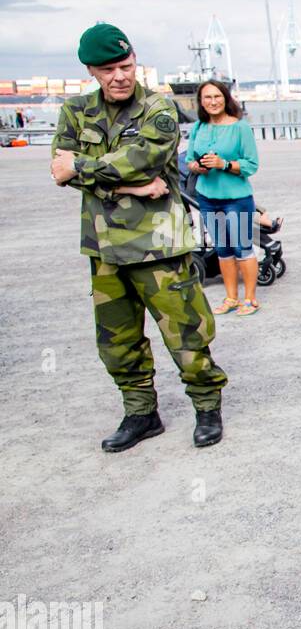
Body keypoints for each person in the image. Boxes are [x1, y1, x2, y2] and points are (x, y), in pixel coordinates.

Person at [50, 23, 226, 451]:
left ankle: (206, 407)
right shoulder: (75, 111)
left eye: (126, 65)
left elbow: (144, 159)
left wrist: (88, 169)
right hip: (104, 248)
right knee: (117, 342)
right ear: (92, 71)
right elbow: (60, 170)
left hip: (159, 246)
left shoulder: (158, 109)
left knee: (187, 334)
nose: (120, 76)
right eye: (109, 69)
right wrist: (128, 187)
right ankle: (141, 413)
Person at [187, 80, 261, 316]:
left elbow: (251, 165)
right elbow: (189, 158)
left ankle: (249, 299)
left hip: (236, 199)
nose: (212, 101)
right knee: (223, 249)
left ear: (225, 98)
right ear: (201, 101)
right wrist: (197, 167)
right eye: (207, 97)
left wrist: (224, 164)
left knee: (242, 247)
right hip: (208, 197)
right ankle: (231, 298)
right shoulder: (199, 127)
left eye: (217, 96)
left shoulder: (240, 128)